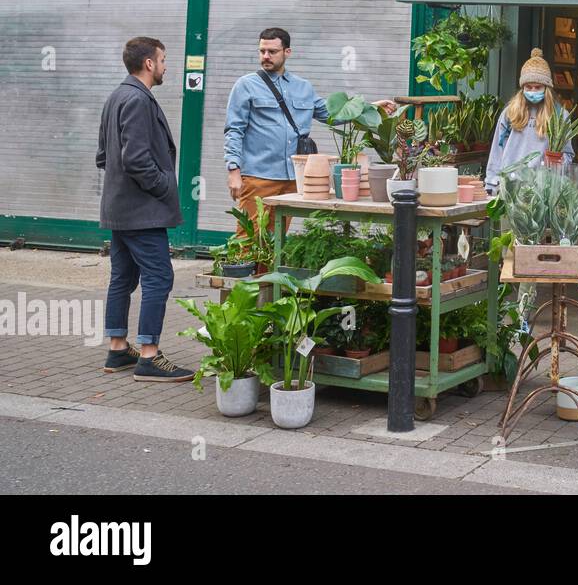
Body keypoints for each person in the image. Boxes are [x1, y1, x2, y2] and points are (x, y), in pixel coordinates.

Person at [224, 27, 394, 234]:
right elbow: (234, 129)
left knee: (276, 238)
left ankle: (267, 269)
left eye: (272, 51)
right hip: (259, 176)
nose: (266, 56)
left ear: (287, 52)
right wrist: (234, 170)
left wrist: (371, 107)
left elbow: (333, 114)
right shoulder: (245, 85)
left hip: (294, 178)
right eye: (262, 51)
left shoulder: (303, 87)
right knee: (249, 239)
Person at [97, 37, 193, 382]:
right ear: (149, 64)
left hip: (120, 207)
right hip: (141, 210)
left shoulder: (116, 96)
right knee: (159, 276)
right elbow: (135, 159)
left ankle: (118, 348)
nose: (166, 66)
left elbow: (103, 157)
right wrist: (163, 186)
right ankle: (149, 355)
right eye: (163, 60)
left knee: (122, 277)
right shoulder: (137, 99)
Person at [484, 48, 575, 194]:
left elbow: (568, 154)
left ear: (547, 88)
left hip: (544, 189)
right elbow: (497, 149)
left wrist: (557, 162)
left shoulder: (559, 116)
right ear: (522, 87)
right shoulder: (510, 113)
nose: (533, 91)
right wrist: (491, 182)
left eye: (538, 87)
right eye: (528, 87)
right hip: (510, 186)